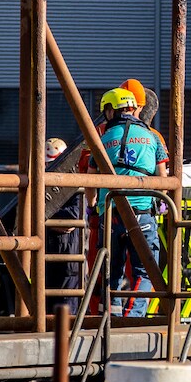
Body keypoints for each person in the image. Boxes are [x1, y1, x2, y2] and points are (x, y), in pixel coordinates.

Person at [87, 87, 168, 317]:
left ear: (112, 110)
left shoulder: (102, 139)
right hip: (142, 212)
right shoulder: (153, 137)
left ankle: (108, 318)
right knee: (145, 269)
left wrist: (93, 203)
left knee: (111, 269)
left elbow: (90, 180)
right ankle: (133, 317)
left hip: (110, 212)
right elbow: (163, 178)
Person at [45, 137, 81, 313]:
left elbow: (71, 220)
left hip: (69, 258)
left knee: (67, 311)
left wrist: (43, 219)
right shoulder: (41, 187)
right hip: (47, 257)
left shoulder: (74, 187)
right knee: (46, 308)